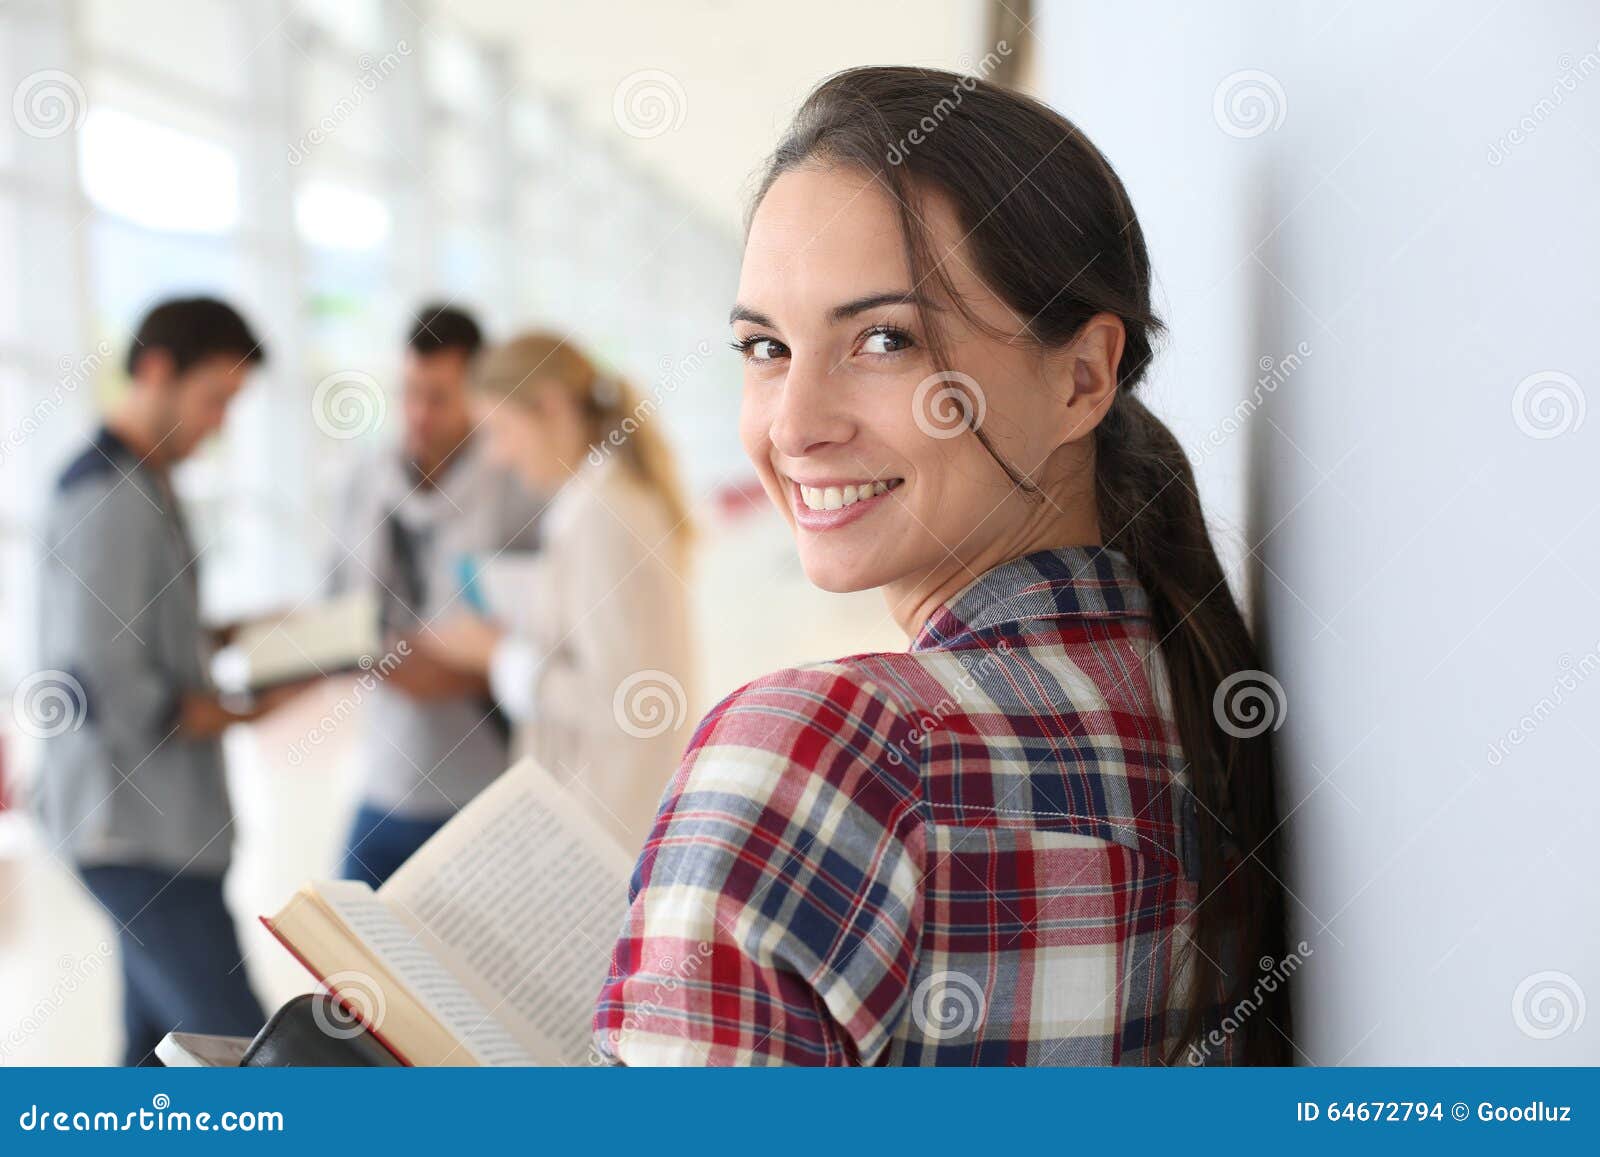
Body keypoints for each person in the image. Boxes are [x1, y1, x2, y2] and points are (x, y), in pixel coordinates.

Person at [592, 67, 1291, 1066]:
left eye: (884, 339)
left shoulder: (824, 755)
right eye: (765, 347)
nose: (794, 425)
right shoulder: (1197, 711)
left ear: (1081, 377)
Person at [36, 296, 301, 1065]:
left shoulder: (144, 483)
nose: (220, 423)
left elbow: (142, 632)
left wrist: (239, 635)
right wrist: (248, 709)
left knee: (151, 1055)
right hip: (135, 837)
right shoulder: (106, 496)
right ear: (156, 371)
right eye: (214, 398)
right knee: (249, 1055)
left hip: (159, 833)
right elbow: (114, 684)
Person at [417, 333, 695, 854]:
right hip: (612, 808)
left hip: (611, 817)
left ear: (549, 406)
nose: (497, 457)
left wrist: (498, 655)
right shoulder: (597, 501)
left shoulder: (602, 515)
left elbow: (620, 697)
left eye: (501, 431)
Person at [324, 305, 543, 887]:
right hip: (386, 780)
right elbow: (337, 613)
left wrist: (442, 669)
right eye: (410, 393)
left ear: (477, 394)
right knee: (347, 938)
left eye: (439, 398)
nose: (419, 414)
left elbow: (542, 641)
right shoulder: (364, 479)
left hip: (482, 789)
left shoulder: (517, 485)